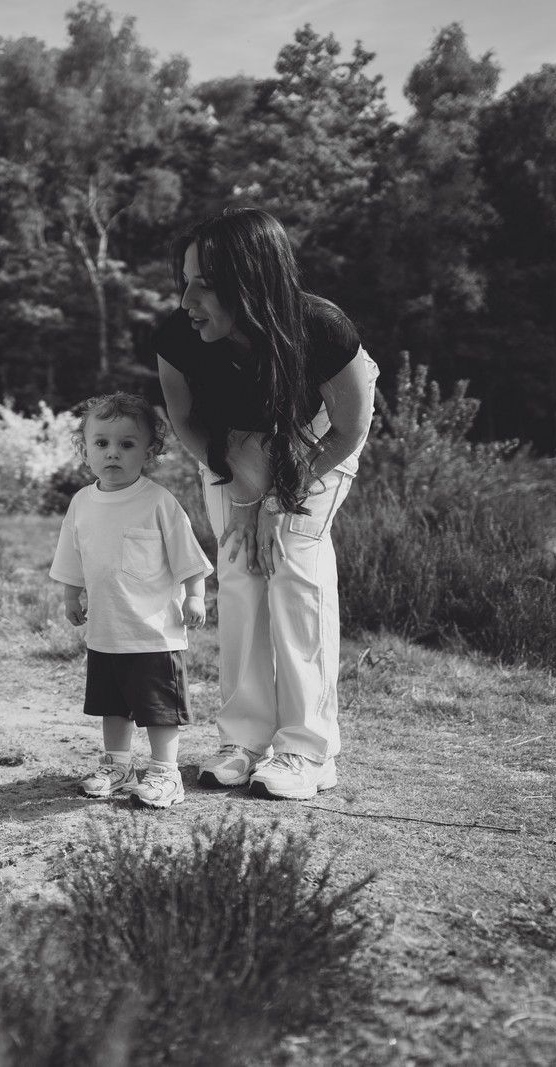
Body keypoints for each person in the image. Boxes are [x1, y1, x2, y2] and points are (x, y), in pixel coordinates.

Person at [155, 207, 378, 801]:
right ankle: (243, 740)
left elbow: (349, 430)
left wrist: (279, 498)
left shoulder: (322, 329)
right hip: (231, 444)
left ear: (250, 282)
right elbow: (183, 418)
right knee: (239, 568)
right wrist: (246, 492)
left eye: (204, 284)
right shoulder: (181, 335)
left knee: (292, 566)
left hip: (316, 437)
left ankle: (308, 751)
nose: (187, 299)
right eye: (184, 281)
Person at [50, 393, 211, 809]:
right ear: (85, 449)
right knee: (113, 705)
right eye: (101, 443)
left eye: (127, 444)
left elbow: (186, 556)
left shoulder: (158, 502)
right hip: (107, 629)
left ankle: (165, 772)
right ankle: (119, 765)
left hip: (154, 632)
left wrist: (195, 595)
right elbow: (73, 554)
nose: (113, 453)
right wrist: (71, 593)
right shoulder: (82, 502)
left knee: (159, 709)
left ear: (150, 451)